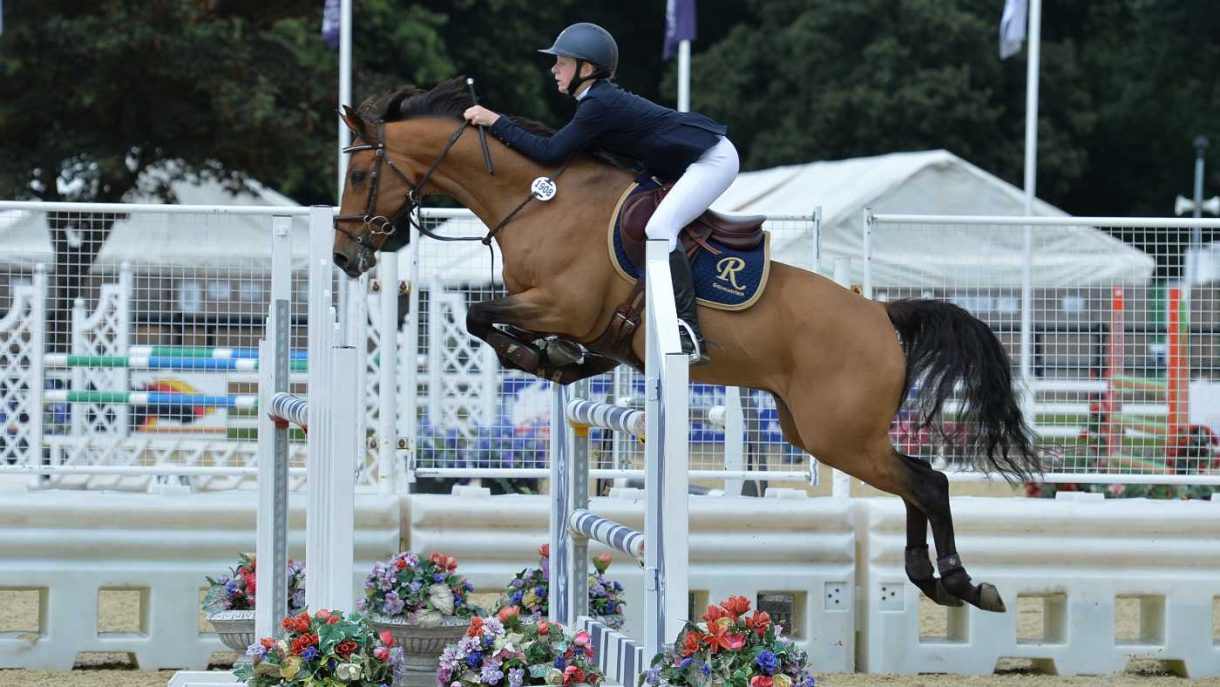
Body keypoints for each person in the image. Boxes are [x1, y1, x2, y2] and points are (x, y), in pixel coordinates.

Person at [463, 22, 739, 366]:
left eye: (561, 62)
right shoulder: (594, 102)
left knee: (660, 228)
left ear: (586, 69)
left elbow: (550, 153)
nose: (553, 69)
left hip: (712, 159)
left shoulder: (599, 104)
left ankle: (685, 330)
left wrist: (496, 121)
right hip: (675, 164)